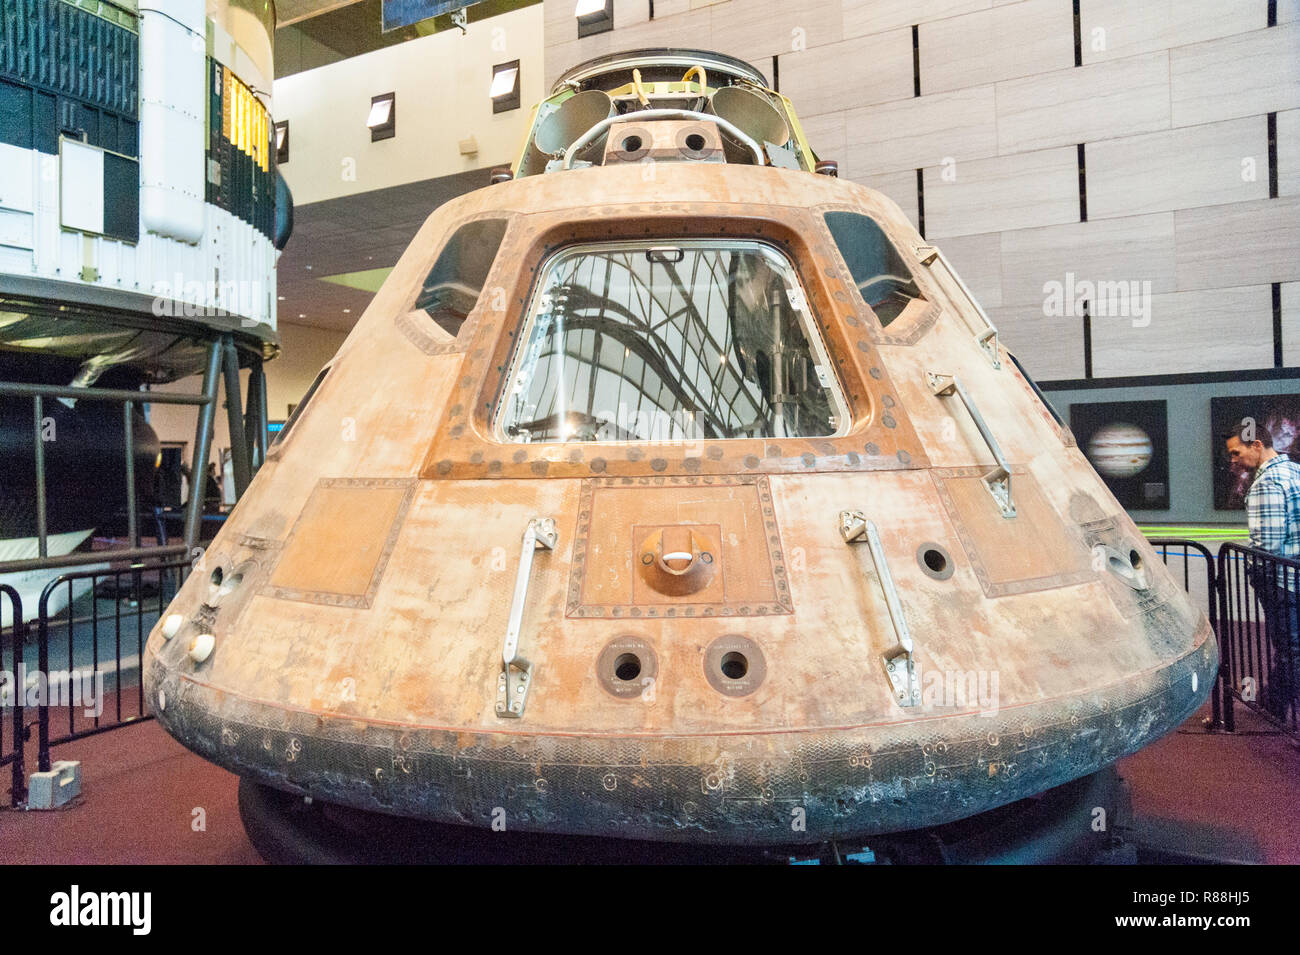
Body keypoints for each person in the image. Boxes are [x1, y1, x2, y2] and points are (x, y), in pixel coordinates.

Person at [1225, 421, 1300, 723]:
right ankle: (1274, 702)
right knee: (1292, 647)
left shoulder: (1267, 482)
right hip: (1295, 577)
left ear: (1257, 445)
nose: (1233, 460)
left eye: (1235, 452)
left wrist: (1255, 573)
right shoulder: (1295, 471)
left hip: (1282, 582)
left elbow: (1266, 545)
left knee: (1289, 648)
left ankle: (1278, 709)